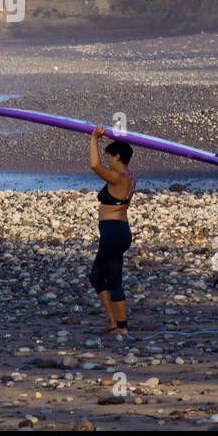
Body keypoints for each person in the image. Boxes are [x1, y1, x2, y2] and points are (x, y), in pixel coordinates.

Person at [88, 125, 135, 336]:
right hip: (117, 232)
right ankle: (114, 322)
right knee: (96, 277)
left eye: (110, 156)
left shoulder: (120, 177)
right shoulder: (129, 177)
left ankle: (121, 327)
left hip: (114, 233)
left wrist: (94, 138)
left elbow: (94, 164)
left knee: (113, 279)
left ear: (117, 156)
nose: (107, 161)